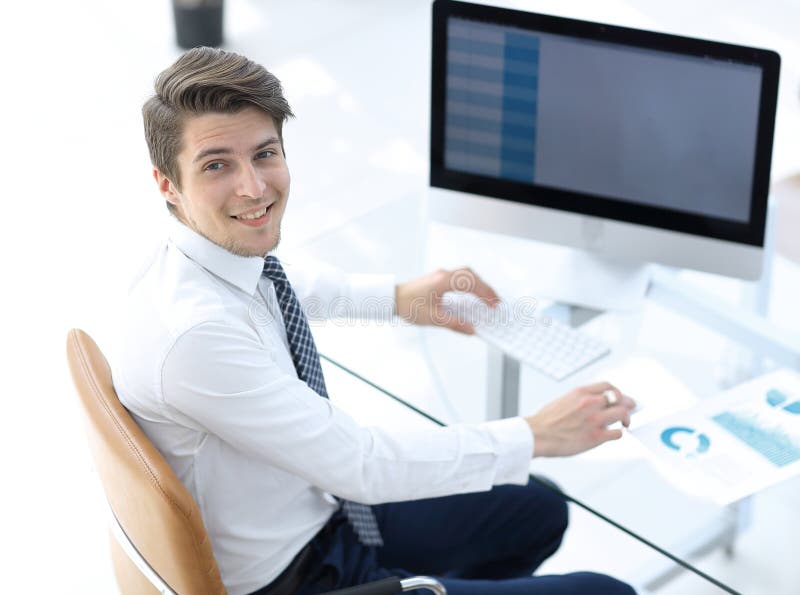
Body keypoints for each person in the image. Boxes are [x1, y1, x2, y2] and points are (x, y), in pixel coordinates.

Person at [112, 47, 637, 595]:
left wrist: (399, 297)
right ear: (167, 183)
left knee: (539, 510)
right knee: (608, 592)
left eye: (264, 154)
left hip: (321, 513)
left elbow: (286, 284)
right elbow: (361, 464)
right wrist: (536, 433)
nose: (254, 187)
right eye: (217, 164)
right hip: (300, 576)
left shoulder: (203, 258)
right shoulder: (196, 338)